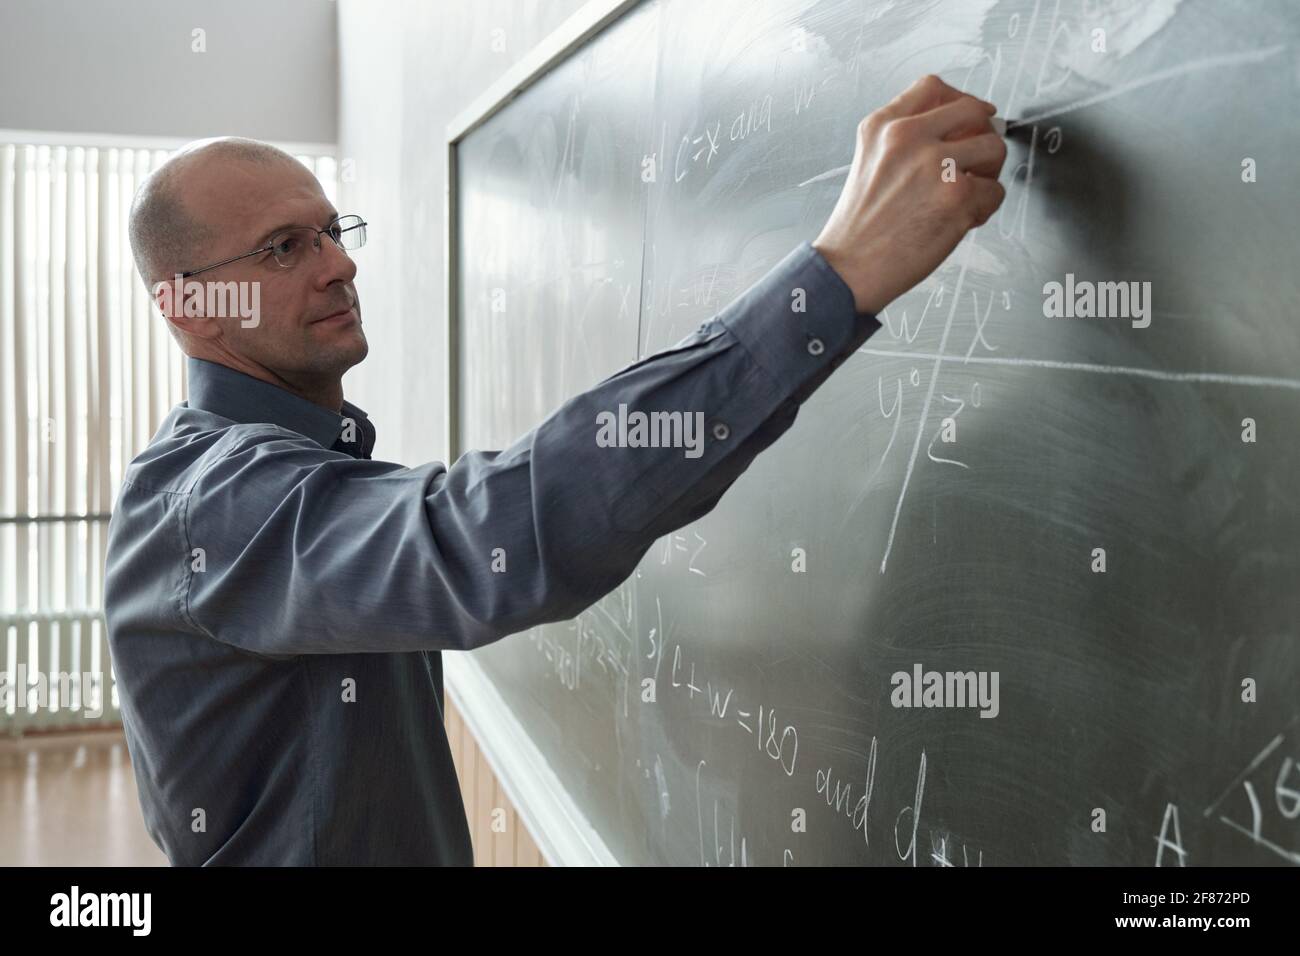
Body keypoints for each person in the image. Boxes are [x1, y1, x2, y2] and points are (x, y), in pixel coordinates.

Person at [104, 74, 1006, 865]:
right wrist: (838, 275)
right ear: (189, 307)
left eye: (332, 232)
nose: (340, 265)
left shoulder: (293, 466)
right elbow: (488, 538)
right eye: (284, 248)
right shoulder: (212, 503)